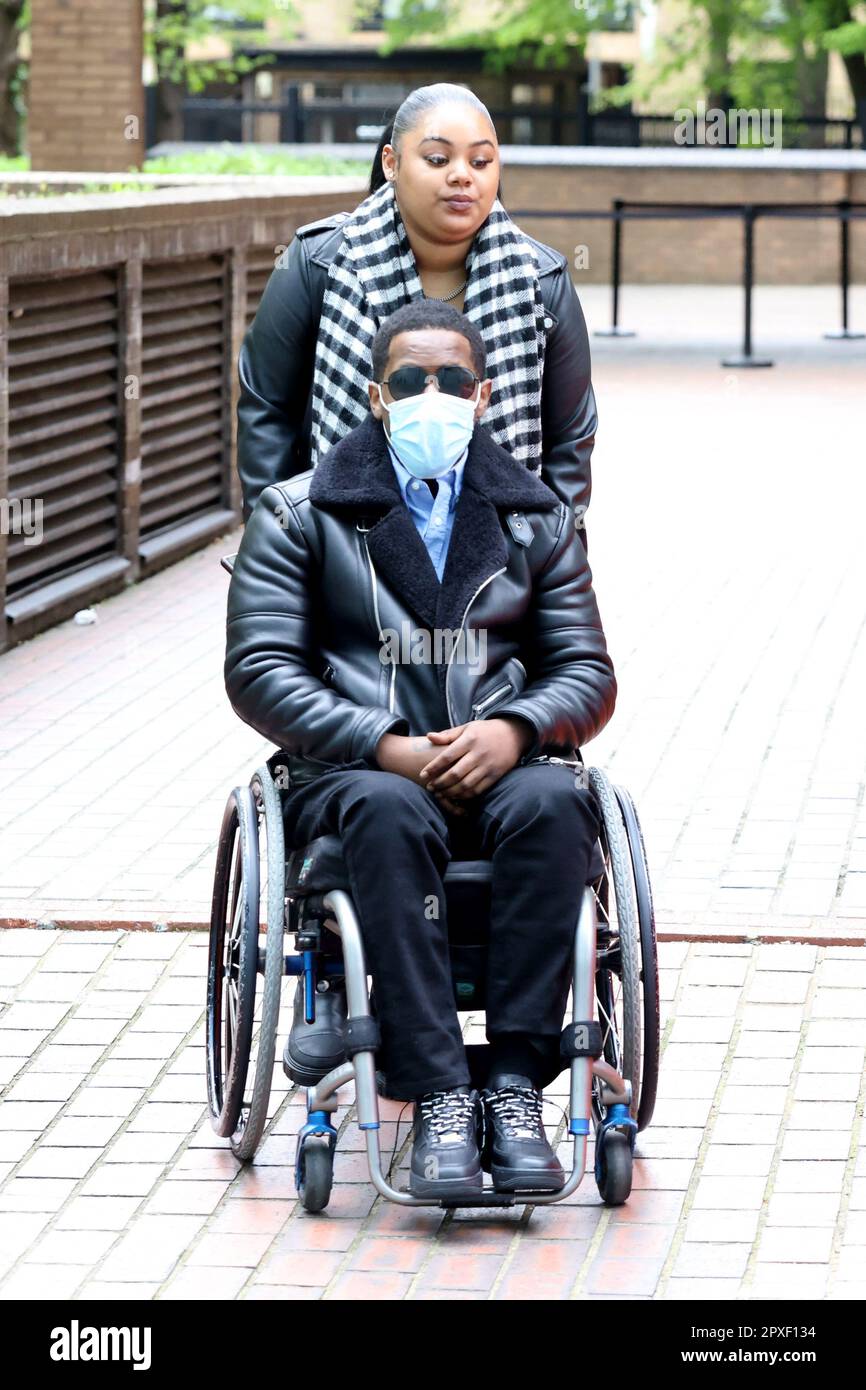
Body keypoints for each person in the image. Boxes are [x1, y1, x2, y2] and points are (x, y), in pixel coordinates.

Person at [224, 301, 616, 1197]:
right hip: (354, 777)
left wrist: (514, 730)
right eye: (410, 382)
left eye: (450, 382)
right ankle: (439, 1091)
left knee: (560, 802)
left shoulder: (536, 520)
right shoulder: (299, 515)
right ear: (375, 396)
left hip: (502, 766)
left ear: (482, 397)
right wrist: (383, 742)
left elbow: (587, 670)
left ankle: (513, 1087)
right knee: (388, 806)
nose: (430, 397)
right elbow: (259, 669)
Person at [236, 81, 598, 549]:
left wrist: (555, 556)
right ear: (391, 162)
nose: (462, 175)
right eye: (437, 159)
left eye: (481, 161)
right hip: (341, 552)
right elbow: (267, 409)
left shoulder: (541, 282)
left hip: (501, 557)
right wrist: (277, 542)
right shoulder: (317, 264)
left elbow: (570, 441)